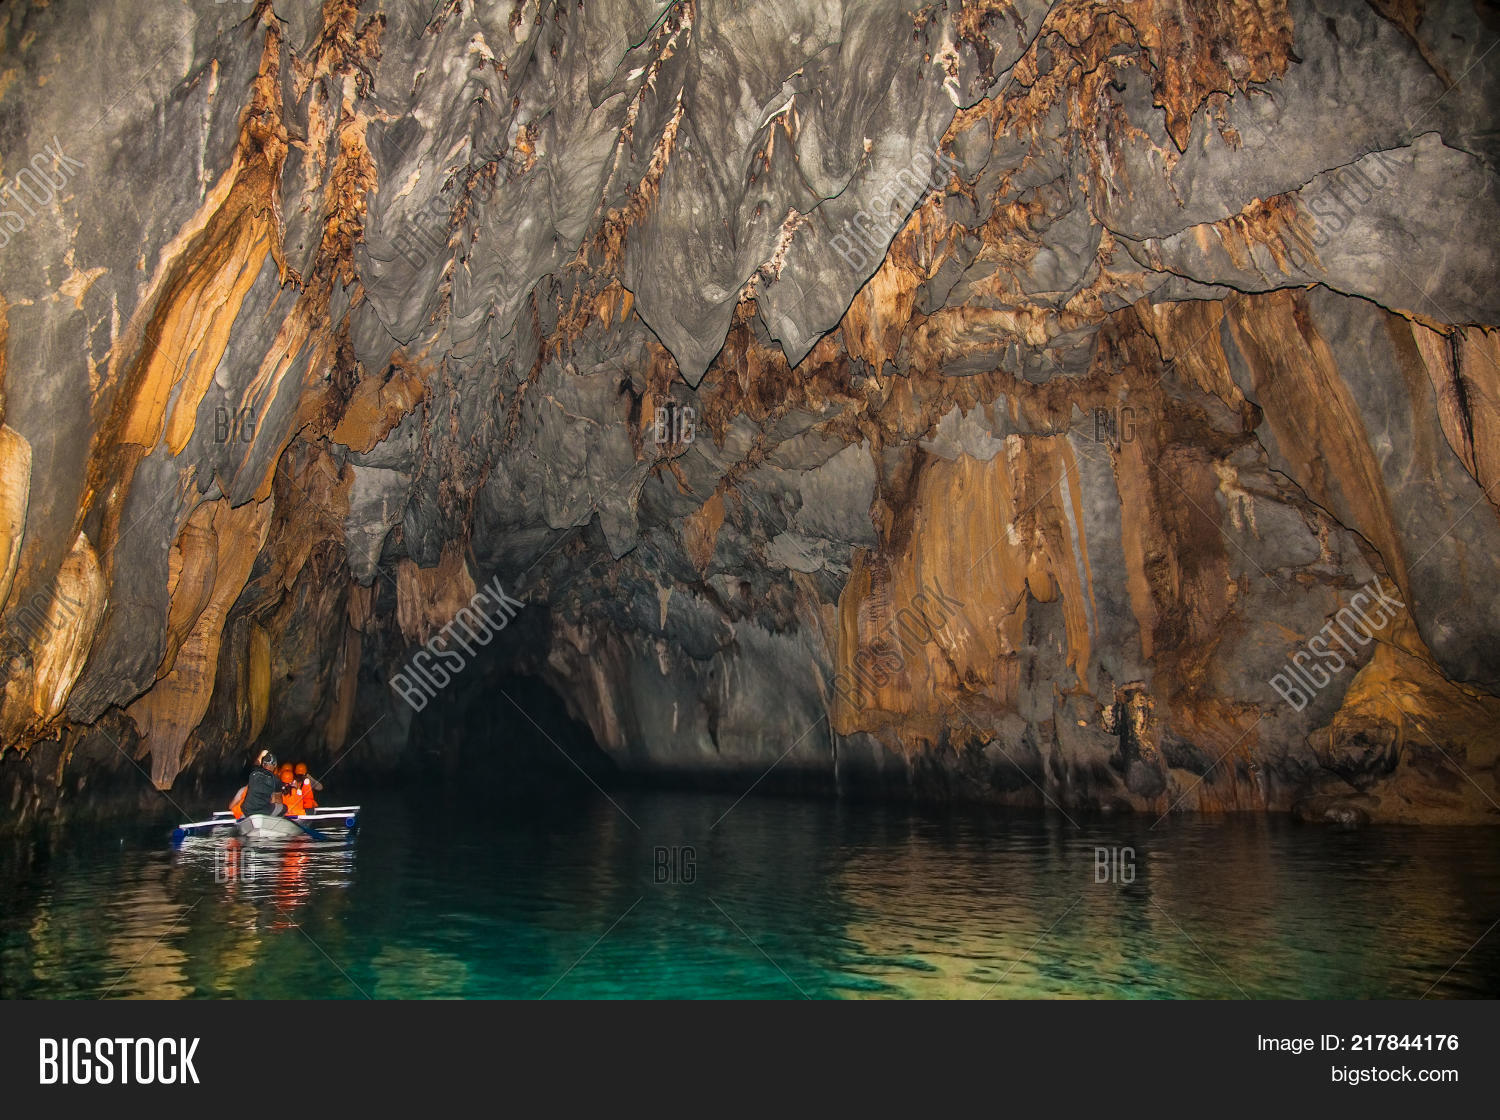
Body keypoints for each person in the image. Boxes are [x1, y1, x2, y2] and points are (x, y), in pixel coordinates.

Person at [241, 749, 289, 818]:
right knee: (284, 808)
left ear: (263, 764)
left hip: (247, 810)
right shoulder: (276, 780)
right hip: (263, 811)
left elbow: (256, 763)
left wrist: (261, 755)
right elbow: (278, 800)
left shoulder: (254, 771)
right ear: (275, 765)